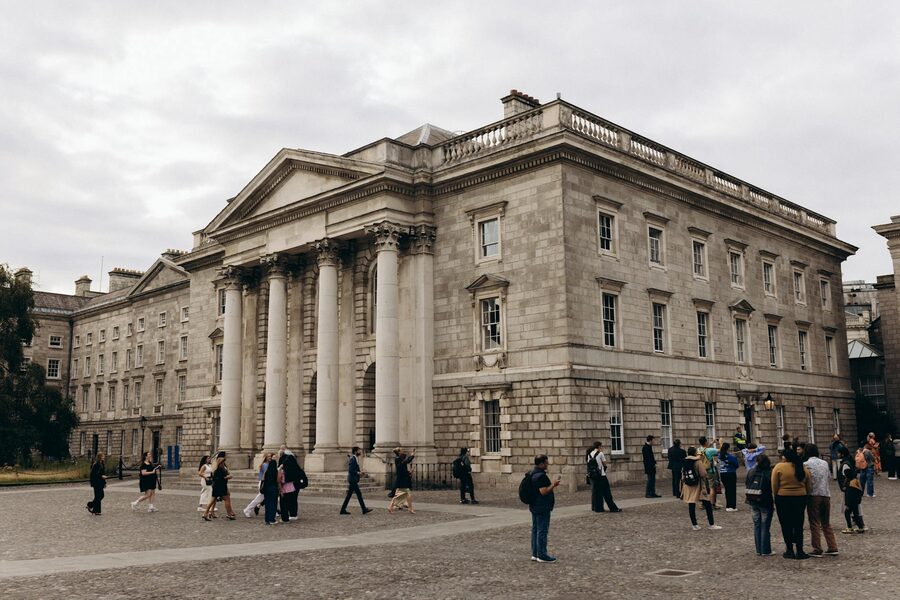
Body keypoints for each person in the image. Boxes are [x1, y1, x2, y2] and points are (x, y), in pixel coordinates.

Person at [772, 446, 812, 559]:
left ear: (785, 457)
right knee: (798, 524)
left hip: (783, 498)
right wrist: (806, 495)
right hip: (800, 497)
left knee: (786, 524)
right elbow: (809, 484)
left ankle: (789, 549)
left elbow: (774, 484)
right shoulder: (802, 467)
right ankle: (800, 550)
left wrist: (776, 495)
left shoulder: (779, 467)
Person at [803, 444, 838, 556]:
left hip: (813, 495)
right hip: (826, 494)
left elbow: (806, 479)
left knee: (814, 522)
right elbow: (828, 477)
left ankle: (817, 548)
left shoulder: (806, 464)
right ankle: (832, 546)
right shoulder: (824, 463)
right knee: (826, 522)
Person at [529, 454, 561, 562]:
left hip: (534, 505)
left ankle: (535, 553)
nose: (547, 464)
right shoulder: (541, 476)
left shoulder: (533, 473)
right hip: (542, 505)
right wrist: (554, 484)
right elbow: (543, 491)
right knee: (542, 530)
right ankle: (542, 554)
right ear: (541, 463)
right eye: (546, 463)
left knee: (535, 529)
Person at [681, 446, 719, 531]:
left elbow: (682, 475)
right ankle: (711, 524)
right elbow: (703, 474)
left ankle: (694, 525)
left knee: (691, 505)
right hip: (699, 486)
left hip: (688, 486)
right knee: (708, 504)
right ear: (694, 453)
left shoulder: (684, 461)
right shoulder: (697, 461)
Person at [745, 453, 774, 556]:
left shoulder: (750, 471)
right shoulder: (769, 473)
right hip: (765, 501)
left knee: (757, 525)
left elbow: (747, 483)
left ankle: (758, 549)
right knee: (765, 526)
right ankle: (765, 549)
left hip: (752, 500)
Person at [837, 446, 866, 534]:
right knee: (855, 510)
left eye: (838, 453)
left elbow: (848, 475)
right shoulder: (848, 462)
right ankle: (860, 526)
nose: (837, 454)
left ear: (842, 454)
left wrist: (844, 485)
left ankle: (850, 527)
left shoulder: (845, 464)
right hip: (853, 489)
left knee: (848, 510)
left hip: (850, 490)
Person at [587, 441, 621, 512]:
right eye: (601, 446)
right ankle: (613, 508)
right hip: (601, 475)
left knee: (597, 493)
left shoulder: (589, 454)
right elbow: (604, 464)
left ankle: (598, 508)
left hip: (594, 476)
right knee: (607, 493)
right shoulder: (600, 453)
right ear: (599, 447)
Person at [203, 451, 236, 521]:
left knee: (212, 501)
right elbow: (220, 478)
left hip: (216, 487)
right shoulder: (219, 469)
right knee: (227, 499)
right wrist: (228, 477)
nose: (224, 463)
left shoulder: (217, 469)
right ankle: (229, 514)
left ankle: (205, 514)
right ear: (221, 462)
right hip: (221, 487)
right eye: (223, 462)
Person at [340, 446, 373, 515]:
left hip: (353, 479)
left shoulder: (355, 458)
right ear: (355, 452)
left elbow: (354, 470)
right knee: (359, 494)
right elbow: (351, 470)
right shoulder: (353, 459)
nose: (360, 452)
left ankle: (343, 510)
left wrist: (360, 473)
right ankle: (364, 509)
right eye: (359, 451)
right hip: (352, 480)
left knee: (349, 495)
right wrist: (359, 473)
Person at [243, 452, 274, 518]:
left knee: (269, 498)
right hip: (264, 483)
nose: (270, 457)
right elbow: (267, 474)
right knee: (259, 498)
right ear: (265, 457)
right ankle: (247, 510)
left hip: (266, 482)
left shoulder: (268, 464)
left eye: (270, 456)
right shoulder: (265, 465)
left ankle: (273, 511)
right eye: (268, 456)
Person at [278, 448, 304, 522]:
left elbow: (281, 479)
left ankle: (285, 517)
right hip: (293, 486)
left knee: (284, 503)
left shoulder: (284, 467)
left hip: (286, 487)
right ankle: (293, 514)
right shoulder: (295, 466)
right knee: (293, 501)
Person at [388, 447, 416, 514]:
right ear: (399, 452)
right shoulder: (398, 459)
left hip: (402, 478)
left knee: (399, 494)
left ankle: (391, 507)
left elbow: (404, 466)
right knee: (406, 494)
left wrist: (409, 472)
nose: (403, 451)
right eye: (401, 450)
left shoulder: (399, 458)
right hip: (402, 479)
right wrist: (412, 455)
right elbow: (406, 461)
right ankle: (410, 509)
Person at [718, 442, 739, 511]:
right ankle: (732, 506)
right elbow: (736, 464)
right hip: (730, 473)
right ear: (728, 448)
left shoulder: (719, 456)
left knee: (727, 490)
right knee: (732, 490)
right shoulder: (730, 456)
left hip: (723, 474)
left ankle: (728, 505)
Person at [699, 437, 719, 508]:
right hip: (710, 470)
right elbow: (721, 450)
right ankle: (712, 504)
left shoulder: (699, 449)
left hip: (701, 470)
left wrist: (712, 443)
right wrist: (720, 443)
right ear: (705, 442)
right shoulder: (710, 450)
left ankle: (703, 504)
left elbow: (705, 449)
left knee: (703, 487)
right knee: (712, 488)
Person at [260, 454, 280, 525]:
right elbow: (278, 481)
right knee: (273, 504)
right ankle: (272, 519)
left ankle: (267, 519)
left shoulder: (267, 472)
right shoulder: (276, 472)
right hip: (273, 488)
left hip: (266, 489)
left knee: (267, 505)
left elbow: (263, 479)